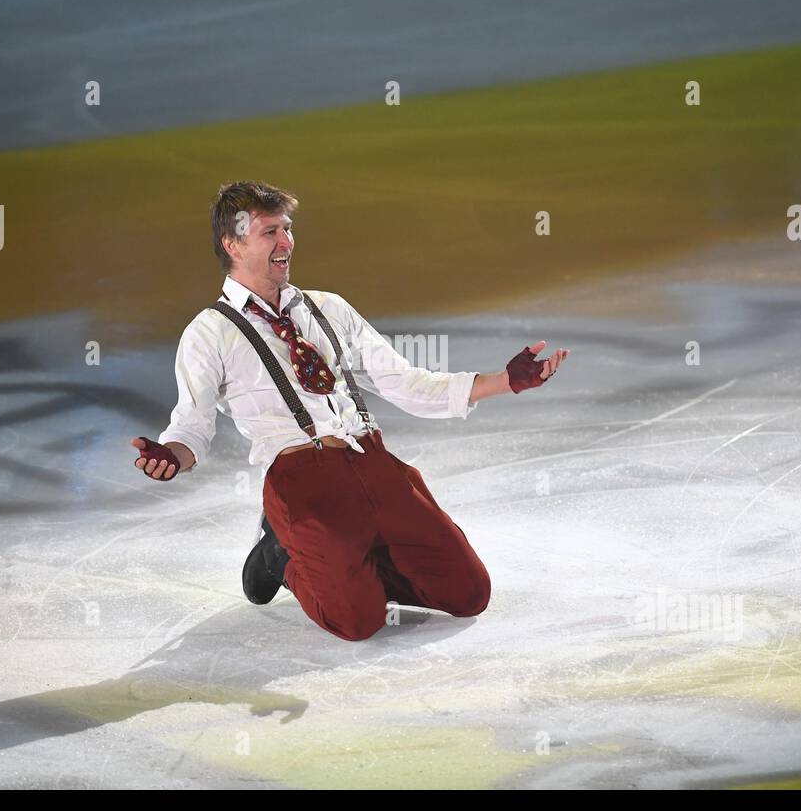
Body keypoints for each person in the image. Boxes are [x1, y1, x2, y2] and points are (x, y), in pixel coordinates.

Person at [131, 181, 570, 641]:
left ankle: (356, 559)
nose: (286, 243)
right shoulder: (210, 332)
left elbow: (406, 384)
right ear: (232, 243)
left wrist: (506, 381)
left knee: (469, 594)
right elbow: (192, 425)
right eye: (269, 232)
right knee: (357, 621)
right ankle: (283, 558)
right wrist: (171, 456)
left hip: (373, 461)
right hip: (304, 483)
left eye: (287, 229)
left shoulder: (328, 308)